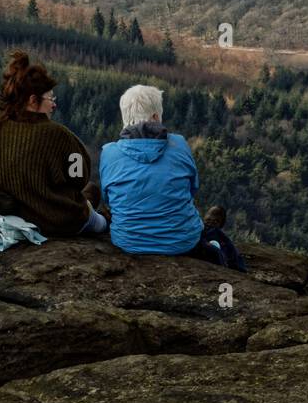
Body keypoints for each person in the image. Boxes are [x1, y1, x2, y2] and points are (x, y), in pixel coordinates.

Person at [100, 84, 246, 270]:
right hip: (181, 242)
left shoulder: (108, 152)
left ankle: (206, 228)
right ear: (155, 117)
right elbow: (192, 188)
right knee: (212, 239)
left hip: (128, 242)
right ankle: (209, 229)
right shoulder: (178, 144)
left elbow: (109, 198)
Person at [0, 50, 108, 237]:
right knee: (94, 198)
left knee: (89, 193)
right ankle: (103, 218)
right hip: (58, 222)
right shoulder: (59, 135)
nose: (53, 105)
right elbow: (79, 178)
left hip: (9, 218)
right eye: (50, 99)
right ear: (32, 101)